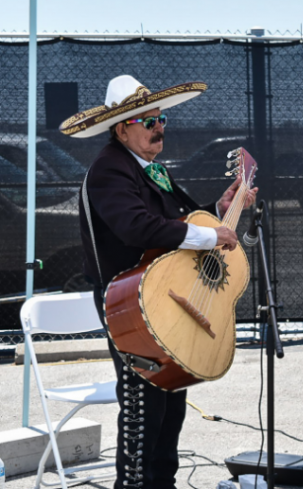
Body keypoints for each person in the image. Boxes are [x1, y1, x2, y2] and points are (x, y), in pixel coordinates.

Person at [60, 75, 257, 489]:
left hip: (160, 298)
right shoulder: (109, 170)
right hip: (129, 302)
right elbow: (137, 228)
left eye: (161, 118)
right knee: (142, 408)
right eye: (148, 121)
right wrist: (209, 234)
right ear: (122, 129)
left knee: (170, 404)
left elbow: (175, 224)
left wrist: (216, 210)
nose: (159, 127)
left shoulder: (150, 168)